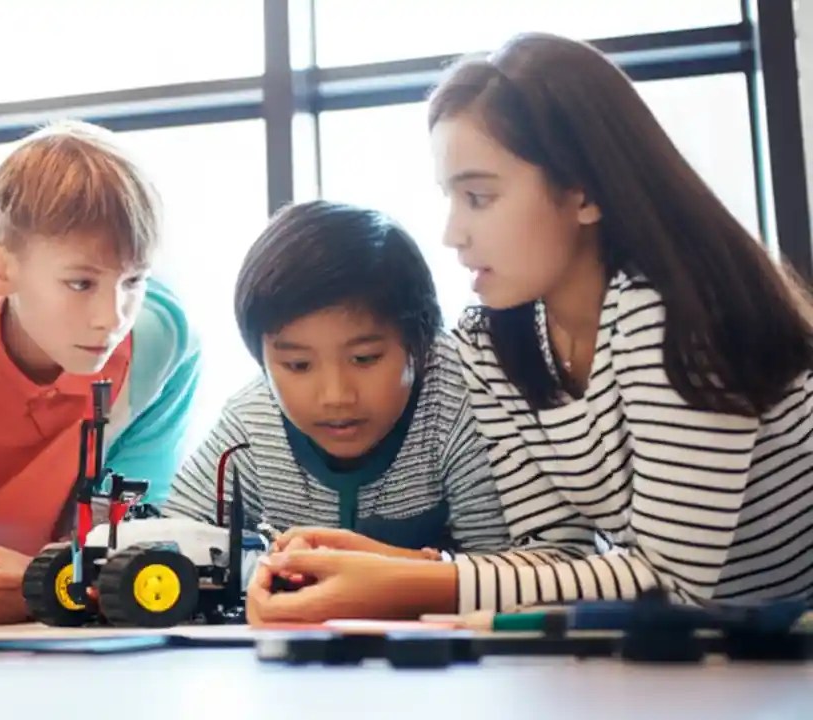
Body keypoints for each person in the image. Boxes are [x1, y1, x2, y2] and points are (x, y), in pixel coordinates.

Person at [247, 33, 813, 625]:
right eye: (451, 197)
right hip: (712, 658)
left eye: (478, 197)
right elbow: (555, 556)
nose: (452, 233)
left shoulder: (678, 311)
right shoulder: (493, 343)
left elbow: (674, 583)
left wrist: (407, 582)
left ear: (584, 192)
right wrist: (391, 568)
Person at [0, 121, 201, 624]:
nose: (111, 317)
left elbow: (139, 530)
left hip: (59, 618)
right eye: (80, 282)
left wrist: (43, 586)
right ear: (0, 270)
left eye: (133, 280)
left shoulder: (164, 347)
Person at [165, 200, 509, 562]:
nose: (336, 396)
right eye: (298, 365)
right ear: (262, 362)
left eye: (364, 359)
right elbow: (170, 544)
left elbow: (501, 566)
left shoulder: (458, 401)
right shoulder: (251, 424)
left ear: (422, 344)